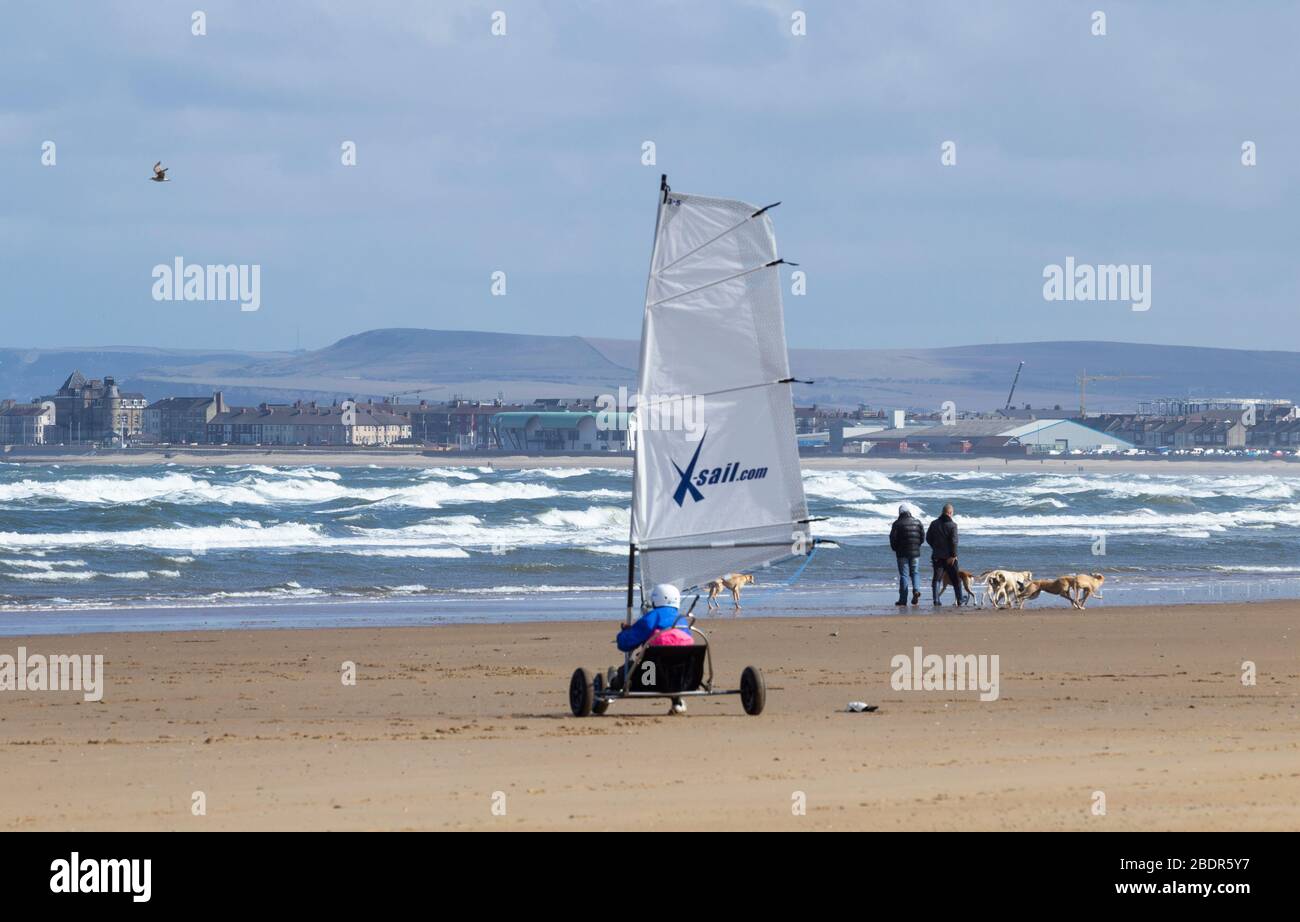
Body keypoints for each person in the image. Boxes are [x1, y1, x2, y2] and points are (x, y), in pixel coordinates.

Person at [608, 583, 693, 712]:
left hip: (649, 677)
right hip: (682, 677)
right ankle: (677, 701)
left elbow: (625, 644)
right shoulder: (682, 621)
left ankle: (613, 686)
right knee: (671, 661)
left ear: (655, 600)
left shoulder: (652, 617)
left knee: (625, 670)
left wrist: (624, 633)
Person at [925, 502, 964, 607]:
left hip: (937, 556)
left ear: (942, 512)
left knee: (936, 579)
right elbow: (954, 542)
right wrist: (953, 555)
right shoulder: (953, 525)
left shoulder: (934, 524)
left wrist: (935, 547)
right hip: (950, 557)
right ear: (950, 513)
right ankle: (960, 600)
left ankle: (936, 600)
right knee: (955, 579)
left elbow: (928, 538)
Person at [889, 503, 924, 607]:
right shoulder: (918, 522)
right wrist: (917, 546)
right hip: (915, 552)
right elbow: (922, 537)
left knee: (904, 575)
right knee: (915, 573)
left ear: (899, 513)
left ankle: (903, 600)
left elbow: (893, 539)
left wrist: (895, 549)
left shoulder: (897, 524)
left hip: (902, 553)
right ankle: (916, 591)